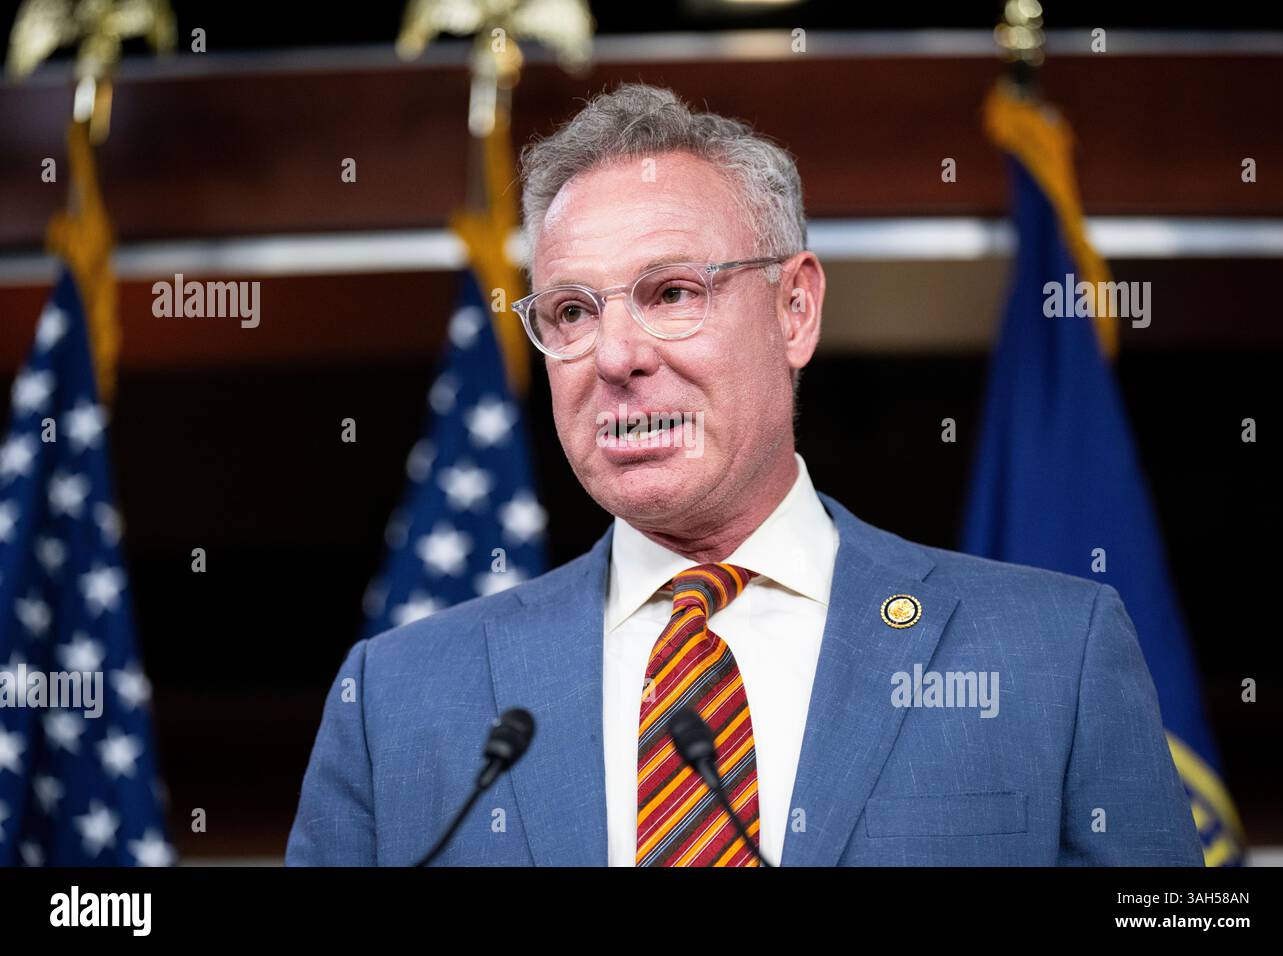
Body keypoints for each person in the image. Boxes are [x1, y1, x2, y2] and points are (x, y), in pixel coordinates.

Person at [286, 84, 1202, 867]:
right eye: (570, 310)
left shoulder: (1055, 656)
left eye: (672, 293)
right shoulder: (398, 700)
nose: (615, 356)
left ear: (795, 310)